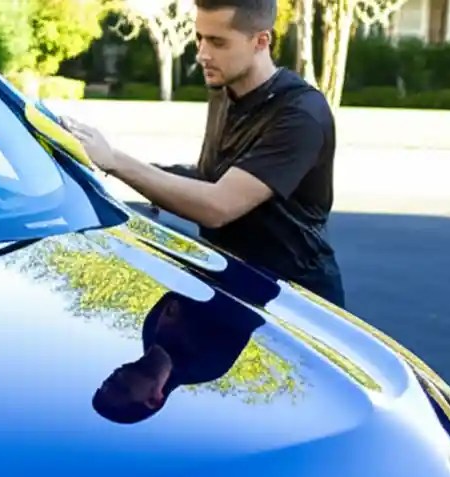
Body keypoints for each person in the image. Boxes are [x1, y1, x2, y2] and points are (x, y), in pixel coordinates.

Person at [61, 0, 345, 308]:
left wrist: (115, 161)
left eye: (218, 42)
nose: (202, 54)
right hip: (231, 280)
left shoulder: (300, 115)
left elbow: (218, 206)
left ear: (261, 41)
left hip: (296, 298)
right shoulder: (225, 91)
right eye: (200, 38)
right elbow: (211, 176)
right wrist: (111, 164)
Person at [93, 290, 265, 424]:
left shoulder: (150, 332)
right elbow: (248, 303)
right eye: (122, 388)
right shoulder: (207, 365)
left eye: (109, 381)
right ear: (153, 400)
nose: (116, 375)